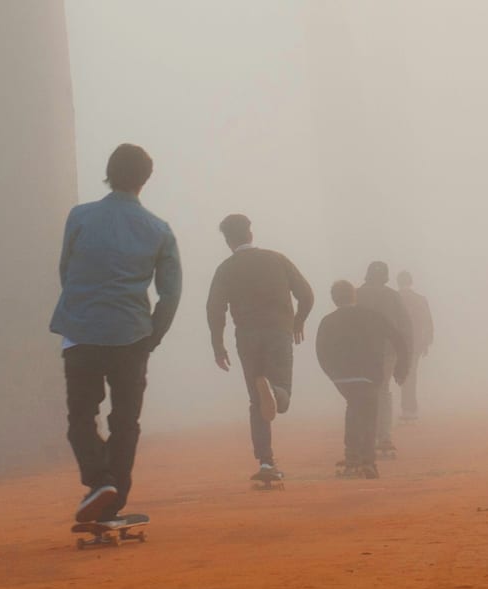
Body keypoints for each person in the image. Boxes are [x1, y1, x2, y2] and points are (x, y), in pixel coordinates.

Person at [50, 143, 182, 523]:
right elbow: (170, 292)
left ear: (108, 172)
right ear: (145, 180)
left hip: (81, 331)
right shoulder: (159, 230)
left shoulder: (79, 217)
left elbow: (66, 271)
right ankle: (114, 497)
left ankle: (98, 479)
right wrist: (153, 334)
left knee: (81, 416)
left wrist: (81, 305)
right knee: (125, 421)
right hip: (131, 334)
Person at [206, 214, 314, 484]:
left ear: (228, 241)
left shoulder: (226, 269)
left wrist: (218, 345)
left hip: (247, 337)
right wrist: (297, 320)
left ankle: (266, 461)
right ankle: (275, 392)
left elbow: (215, 309)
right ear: (250, 234)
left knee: (257, 402)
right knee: (282, 395)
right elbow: (307, 294)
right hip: (278, 332)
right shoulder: (276, 259)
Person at [316, 281, 410, 478]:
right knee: (368, 415)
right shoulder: (373, 316)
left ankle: (354, 459)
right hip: (370, 374)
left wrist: (333, 376)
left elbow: (321, 351)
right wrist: (401, 369)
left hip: (344, 377)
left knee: (354, 410)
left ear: (334, 299)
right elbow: (399, 340)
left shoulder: (328, 321)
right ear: (354, 296)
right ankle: (367, 462)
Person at [355, 262, 412, 453]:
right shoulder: (392, 296)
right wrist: (405, 357)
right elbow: (404, 327)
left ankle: (363, 437)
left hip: (361, 352)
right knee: (383, 391)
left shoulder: (357, 294)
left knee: (362, 393)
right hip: (387, 352)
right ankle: (384, 437)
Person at [397, 271, 433, 422]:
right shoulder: (420, 300)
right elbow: (428, 322)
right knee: (411, 375)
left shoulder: (394, 298)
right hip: (415, 343)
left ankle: (389, 412)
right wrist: (426, 343)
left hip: (396, 343)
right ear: (411, 282)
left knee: (391, 377)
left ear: (398, 282)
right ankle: (409, 410)